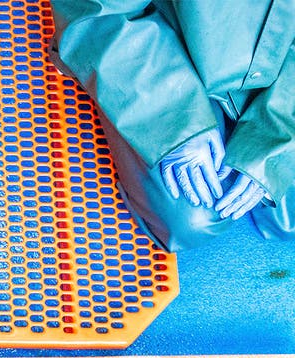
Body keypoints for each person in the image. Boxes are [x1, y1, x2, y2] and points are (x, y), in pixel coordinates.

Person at [50, 0, 295, 251]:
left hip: (283, 63)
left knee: (286, 212)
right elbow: (97, 12)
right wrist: (174, 119)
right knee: (194, 219)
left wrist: (279, 137)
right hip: (164, 50)